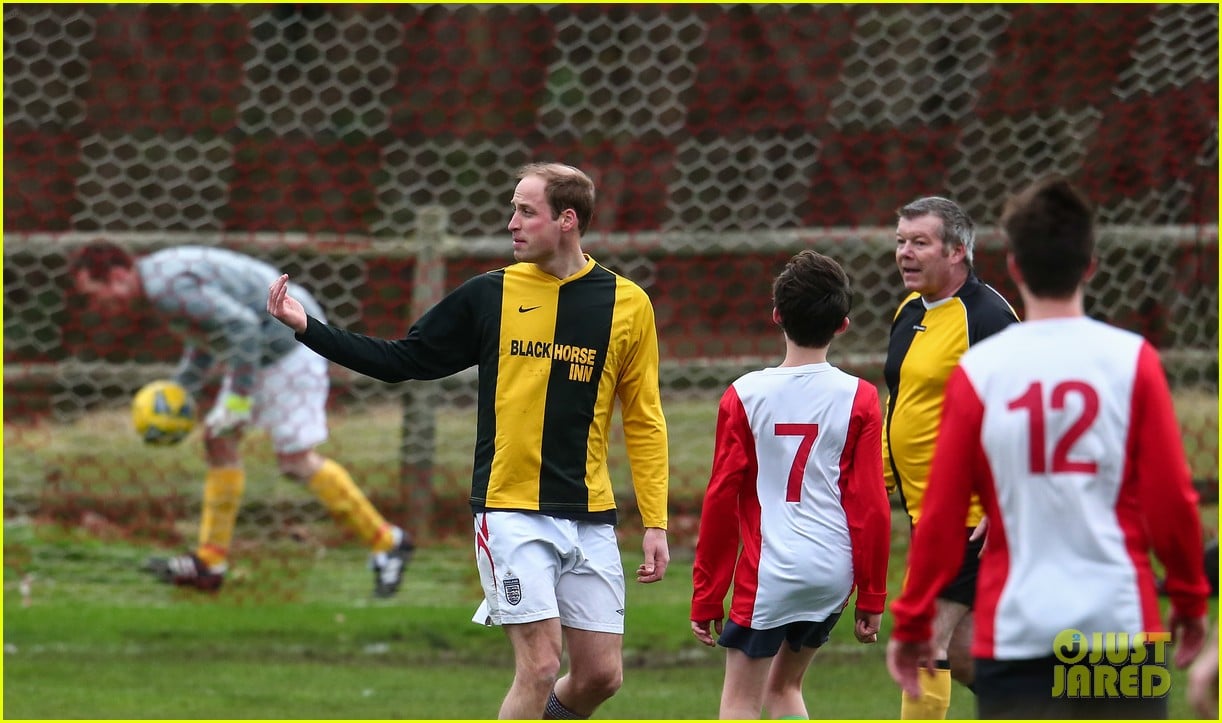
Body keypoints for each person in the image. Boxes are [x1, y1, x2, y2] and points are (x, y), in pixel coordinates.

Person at [266, 162, 671, 720]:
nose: (512, 223)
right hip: (510, 510)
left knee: (601, 676)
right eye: (514, 209)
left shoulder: (628, 305)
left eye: (527, 211)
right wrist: (307, 327)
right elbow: (401, 360)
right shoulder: (490, 296)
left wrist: (655, 521)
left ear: (567, 220)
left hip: (590, 512)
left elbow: (645, 419)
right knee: (540, 665)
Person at [886, 176, 1210, 718]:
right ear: (1090, 265)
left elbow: (942, 512)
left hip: (1018, 631)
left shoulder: (982, 369)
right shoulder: (1133, 360)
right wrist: (1189, 598)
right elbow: (1170, 501)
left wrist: (915, 617)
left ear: (1013, 266)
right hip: (1119, 622)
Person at [69, 242, 415, 597]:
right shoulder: (159, 278)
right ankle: (209, 563)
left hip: (290, 346)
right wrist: (182, 389)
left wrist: (237, 400)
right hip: (266, 347)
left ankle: (388, 542)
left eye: (96, 294)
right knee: (219, 441)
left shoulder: (166, 289)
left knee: (295, 461)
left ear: (118, 275)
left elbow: (242, 329)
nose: (98, 306)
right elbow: (210, 336)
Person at [690, 250, 891, 719]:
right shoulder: (861, 397)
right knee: (785, 689)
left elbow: (720, 501)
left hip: (770, 572)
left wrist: (706, 594)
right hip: (831, 572)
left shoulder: (744, 395)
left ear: (776, 315)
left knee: (740, 701)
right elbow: (870, 505)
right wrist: (873, 593)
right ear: (842, 325)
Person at [881, 195, 1018, 718]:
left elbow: (1020, 415)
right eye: (900, 242)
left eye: (920, 242)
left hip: (970, 514)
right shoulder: (909, 311)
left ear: (958, 250)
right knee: (962, 656)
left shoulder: (989, 318)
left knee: (924, 642)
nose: (905, 253)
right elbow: (902, 398)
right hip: (928, 514)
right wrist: (885, 474)